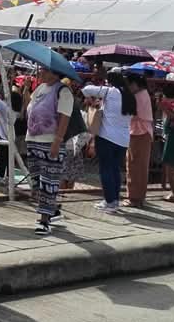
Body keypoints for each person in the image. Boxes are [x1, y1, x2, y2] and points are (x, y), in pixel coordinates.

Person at [22, 67, 73, 234]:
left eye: (44, 70)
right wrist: (26, 89)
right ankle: (52, 210)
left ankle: (44, 220)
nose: (40, 73)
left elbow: (65, 117)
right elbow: (29, 107)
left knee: (48, 182)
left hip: (50, 141)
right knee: (37, 183)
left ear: (54, 72)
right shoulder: (40, 88)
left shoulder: (63, 91)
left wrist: (57, 142)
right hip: (33, 140)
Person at [83, 73, 131, 214]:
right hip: (123, 138)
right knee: (115, 169)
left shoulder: (109, 91)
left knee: (105, 169)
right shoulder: (130, 95)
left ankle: (110, 202)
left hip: (107, 137)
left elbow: (86, 90)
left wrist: (101, 89)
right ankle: (114, 200)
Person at [124, 73, 153, 208]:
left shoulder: (139, 96)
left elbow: (134, 113)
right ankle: (137, 197)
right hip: (140, 131)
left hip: (139, 132)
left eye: (129, 84)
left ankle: (134, 198)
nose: (128, 87)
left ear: (135, 84)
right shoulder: (143, 93)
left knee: (135, 166)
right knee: (138, 166)